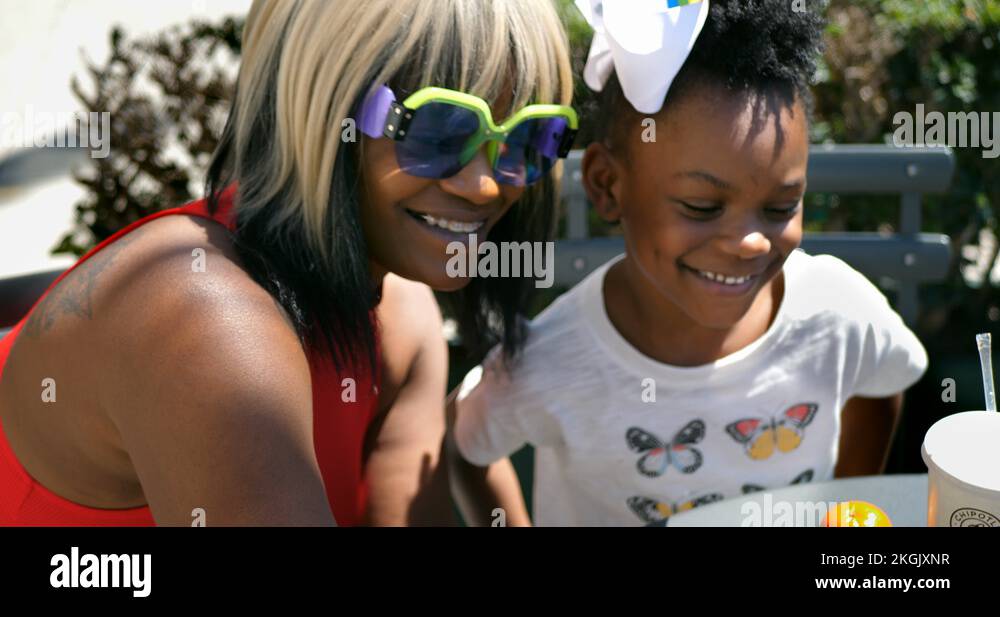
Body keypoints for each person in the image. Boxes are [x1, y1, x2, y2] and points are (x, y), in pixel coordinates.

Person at [0, 0, 575, 526]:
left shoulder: (402, 321)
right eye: (438, 131)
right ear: (323, 110)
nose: (484, 186)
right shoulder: (204, 314)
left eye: (528, 139)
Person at [449, 0, 928, 526]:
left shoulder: (839, 314)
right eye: (703, 207)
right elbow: (462, 445)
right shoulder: (550, 361)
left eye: (780, 207)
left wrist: (844, 511)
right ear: (608, 186)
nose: (750, 243)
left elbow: (884, 377)